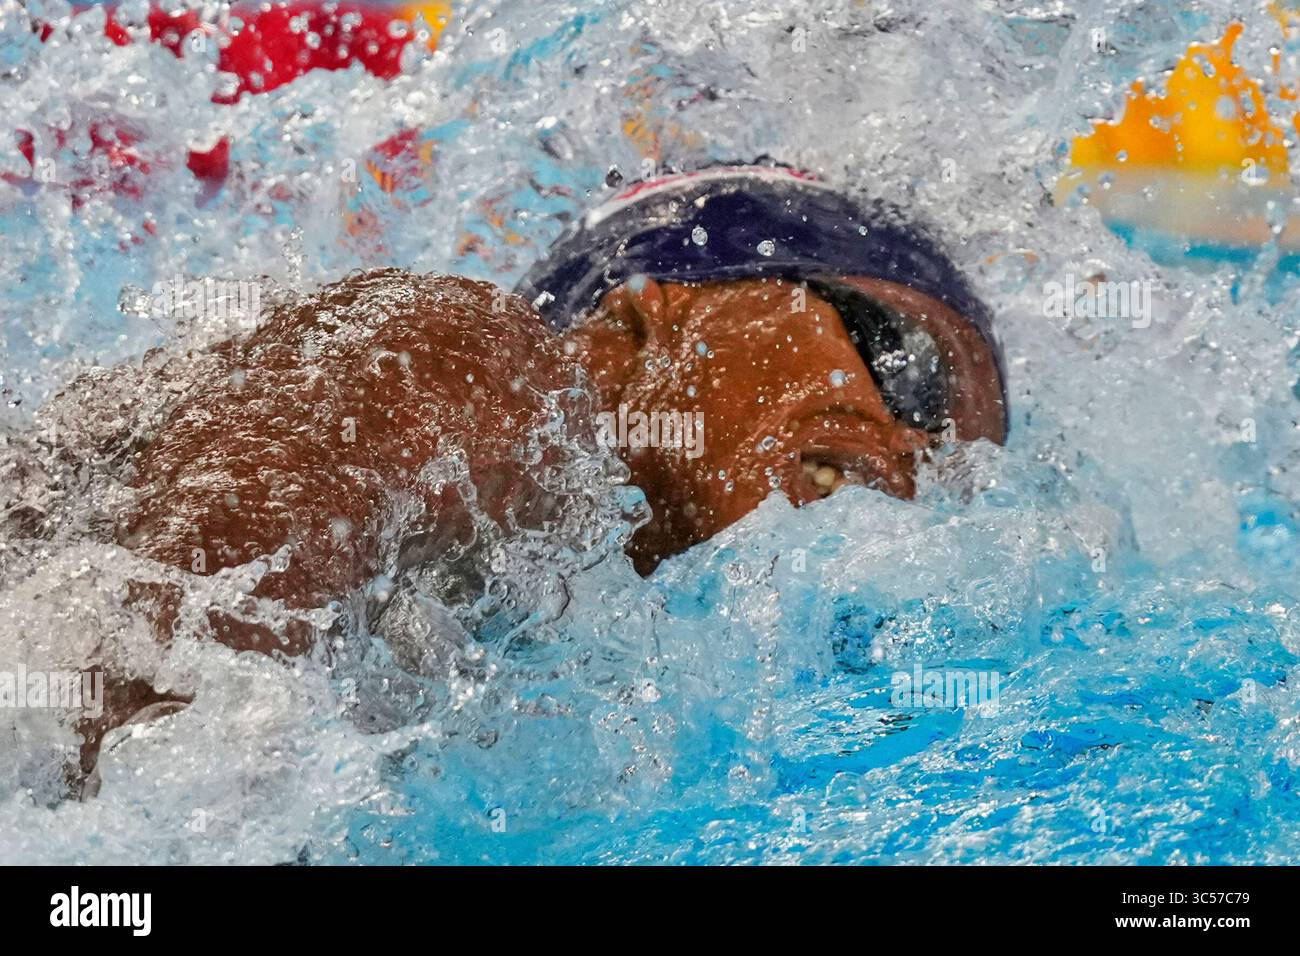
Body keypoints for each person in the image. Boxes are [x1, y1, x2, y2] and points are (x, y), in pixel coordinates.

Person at [77, 163, 1009, 782]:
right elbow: (146, 763)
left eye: (955, 434)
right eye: (893, 359)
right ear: (639, 325)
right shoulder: (479, 372)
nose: (916, 445)